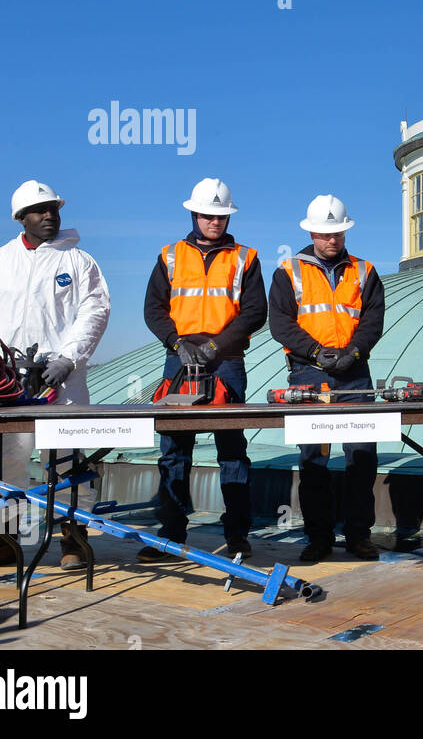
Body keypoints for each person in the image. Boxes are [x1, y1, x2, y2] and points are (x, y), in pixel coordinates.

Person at [0, 180, 110, 572]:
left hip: (64, 380)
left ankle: (71, 538)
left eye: (53, 209)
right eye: (39, 211)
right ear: (21, 218)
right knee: (2, 460)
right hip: (11, 382)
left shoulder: (78, 262)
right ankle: (2, 541)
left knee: (66, 462)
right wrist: (1, 360)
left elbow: (93, 313)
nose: (49, 216)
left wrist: (67, 358)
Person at [141, 178, 266, 561]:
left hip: (226, 362)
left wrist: (215, 345)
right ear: (194, 214)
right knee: (175, 451)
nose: (215, 221)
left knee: (231, 452)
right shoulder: (170, 256)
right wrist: (178, 344)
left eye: (221, 216)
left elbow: (254, 313)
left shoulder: (245, 257)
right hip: (180, 360)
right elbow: (154, 309)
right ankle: (172, 534)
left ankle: (237, 536)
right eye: (208, 215)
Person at [268, 195, 385, 562]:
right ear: (312, 232)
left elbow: (372, 321)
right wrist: (317, 353)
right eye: (324, 233)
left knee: (361, 457)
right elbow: (280, 324)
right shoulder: (288, 272)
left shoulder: (364, 271)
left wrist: (354, 352)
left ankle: (358, 535)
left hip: (354, 376)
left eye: (337, 233)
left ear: (345, 231)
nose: (331, 240)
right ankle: (318, 538)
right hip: (309, 375)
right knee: (314, 460)